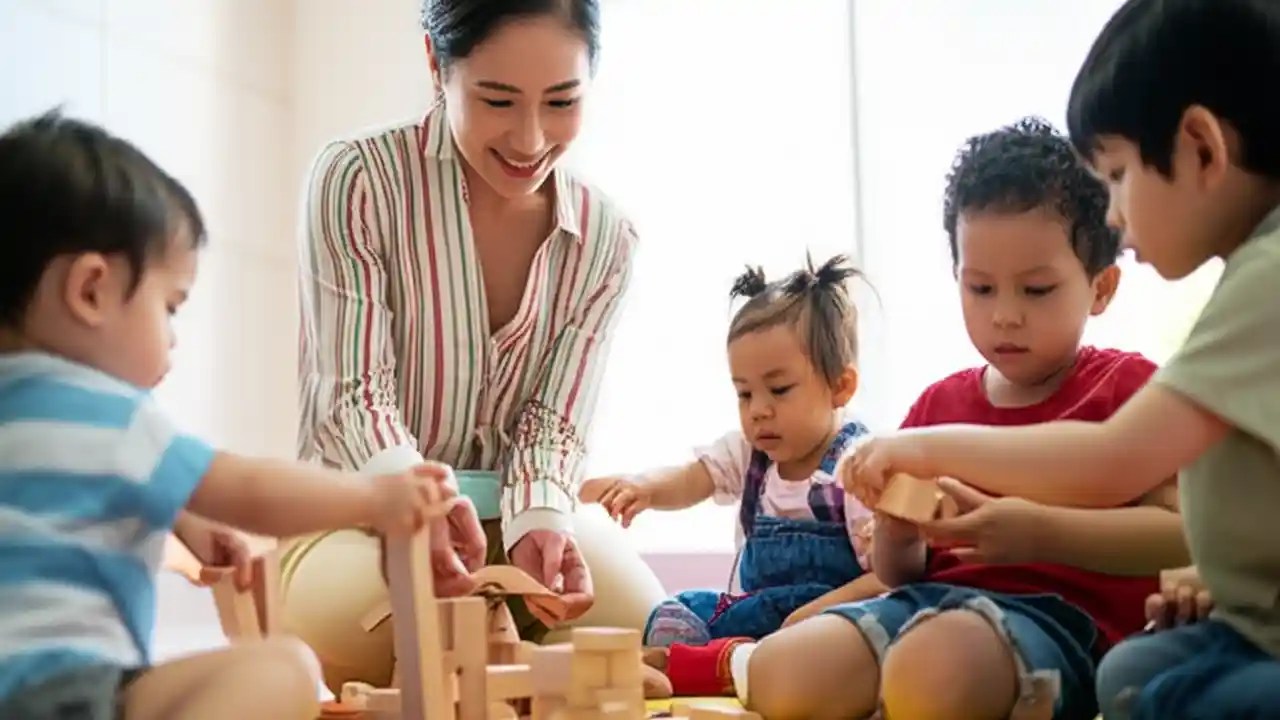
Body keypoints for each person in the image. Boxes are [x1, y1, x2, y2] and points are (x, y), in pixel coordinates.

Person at [842, 2, 1280, 717]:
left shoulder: (1267, 278)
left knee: (1160, 691)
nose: (1111, 214)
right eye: (979, 286)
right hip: (1249, 621)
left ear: (1201, 148)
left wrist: (918, 447)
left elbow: (1113, 459)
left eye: (1115, 175)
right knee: (1133, 674)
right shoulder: (1254, 273)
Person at [0, 110, 473, 720]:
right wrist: (374, 499)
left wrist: (183, 518)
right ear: (91, 291)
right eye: (168, 307)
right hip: (71, 693)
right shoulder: (116, 419)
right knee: (283, 667)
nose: (172, 337)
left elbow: (55, 502)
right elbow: (250, 491)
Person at [742, 117, 1187, 720]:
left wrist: (1039, 531)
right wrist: (898, 529)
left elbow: (1181, 536)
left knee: (936, 666)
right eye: (980, 289)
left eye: (1035, 290)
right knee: (782, 668)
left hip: (1054, 623)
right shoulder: (936, 408)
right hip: (923, 602)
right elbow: (898, 573)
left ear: (1101, 288)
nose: (1004, 316)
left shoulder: (1129, 390)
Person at [287, 0, 666, 693]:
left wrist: (544, 520)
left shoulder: (607, 237)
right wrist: (420, 505)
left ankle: (508, 663)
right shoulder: (359, 179)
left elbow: (554, 422)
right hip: (352, 520)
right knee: (406, 636)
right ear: (437, 64)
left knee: (646, 633)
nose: (529, 139)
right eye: (497, 100)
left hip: (509, 516)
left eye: (561, 101)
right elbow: (353, 397)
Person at [581, 255, 885, 696]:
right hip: (758, 613)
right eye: (744, 393)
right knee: (680, 610)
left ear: (841, 386)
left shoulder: (856, 467)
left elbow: (885, 579)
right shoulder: (752, 453)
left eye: (779, 390)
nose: (758, 409)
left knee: (809, 647)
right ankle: (689, 664)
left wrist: (815, 613)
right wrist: (642, 487)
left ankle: (684, 669)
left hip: (828, 622)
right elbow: (693, 478)